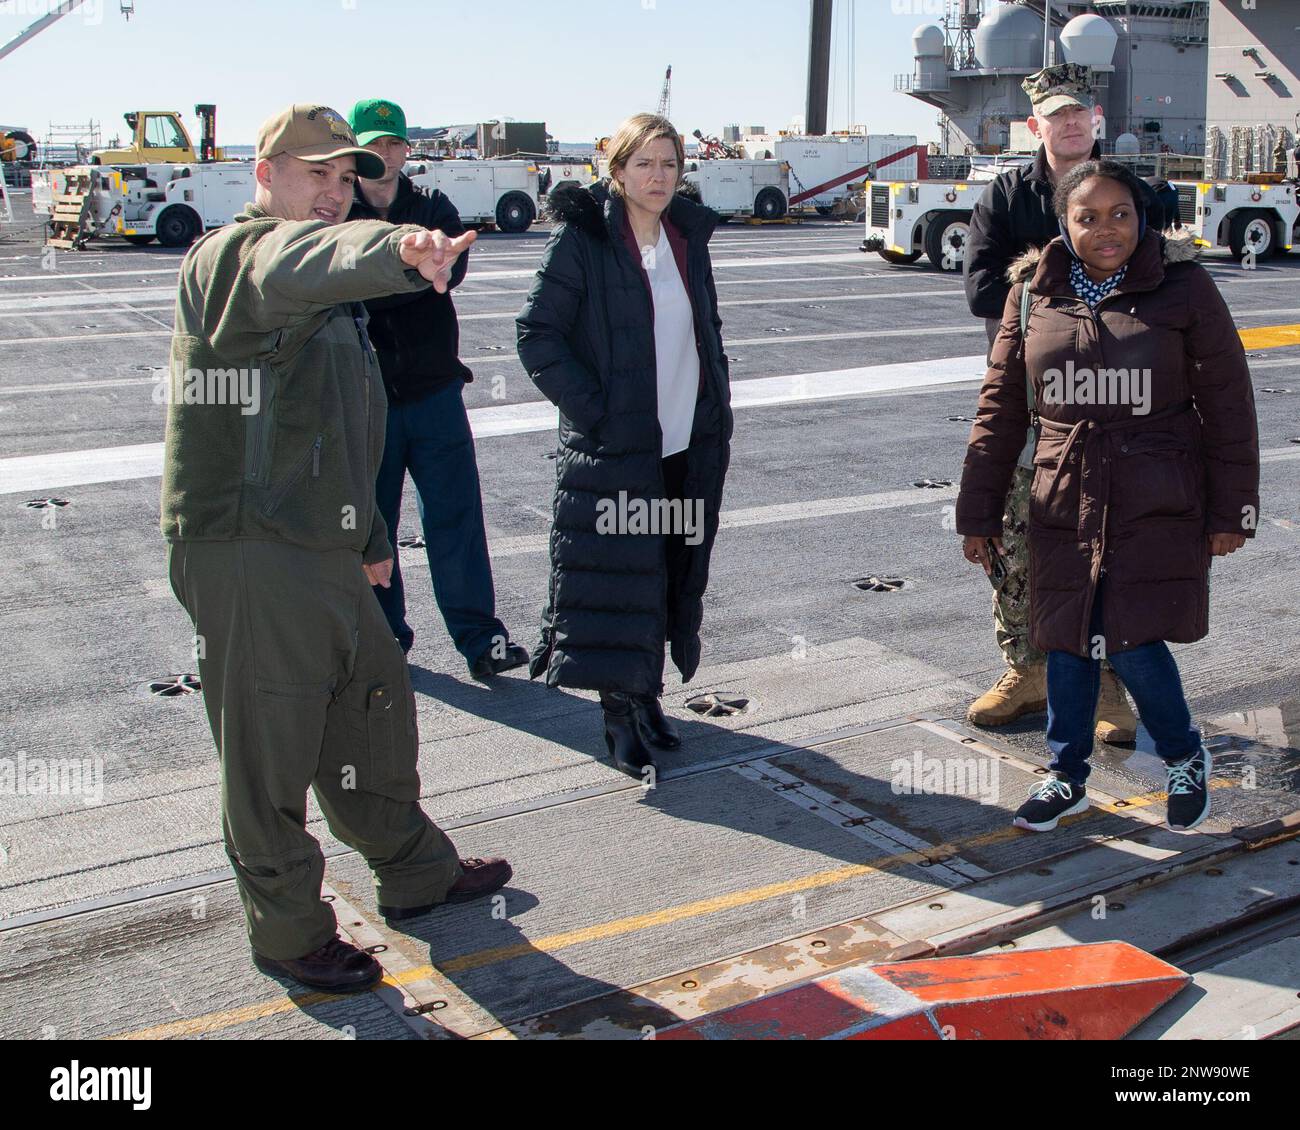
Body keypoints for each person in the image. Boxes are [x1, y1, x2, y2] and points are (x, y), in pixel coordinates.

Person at [161, 104, 511, 994]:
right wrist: (392, 249)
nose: (332, 191)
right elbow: (298, 256)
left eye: (344, 177)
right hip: (248, 544)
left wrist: (370, 536)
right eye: (313, 173)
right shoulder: (236, 259)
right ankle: (287, 932)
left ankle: (417, 874)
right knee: (270, 747)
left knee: (372, 704)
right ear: (264, 174)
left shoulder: (330, 285)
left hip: (322, 541)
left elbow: (346, 420)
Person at [956, 159, 1260, 833]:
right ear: (1063, 222)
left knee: (1130, 637)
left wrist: (1233, 509)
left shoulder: (1183, 286)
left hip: (1156, 493)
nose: (1106, 230)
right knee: (1063, 638)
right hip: (1062, 494)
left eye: (1119, 214)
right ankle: (1067, 777)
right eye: (1087, 217)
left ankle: (1184, 756)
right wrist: (977, 513)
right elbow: (1001, 407)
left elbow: (1229, 405)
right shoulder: (1031, 294)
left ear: (1141, 216)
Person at [516, 113, 733, 778]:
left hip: (680, 443)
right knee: (618, 577)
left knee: (663, 573)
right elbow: (536, 336)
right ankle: (618, 714)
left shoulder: (684, 238)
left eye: (669, 164)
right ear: (616, 171)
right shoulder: (583, 240)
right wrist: (599, 413)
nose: (659, 176)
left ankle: (646, 697)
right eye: (645, 164)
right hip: (617, 448)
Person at [963, 63, 1166, 744]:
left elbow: (1159, 277)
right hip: (1028, 392)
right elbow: (981, 289)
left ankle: (1105, 680)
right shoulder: (1005, 196)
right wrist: (1054, 302)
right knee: (1018, 529)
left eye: (1080, 113)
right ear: (1036, 126)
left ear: (1095, 120)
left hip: (1114, 396)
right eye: (1058, 116)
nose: (1071, 124)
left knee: (1104, 538)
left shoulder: (1128, 191)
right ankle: (1024, 668)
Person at [347, 98, 529, 680]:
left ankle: (481, 640)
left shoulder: (432, 207)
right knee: (372, 527)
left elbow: (452, 265)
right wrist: (417, 276)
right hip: (367, 404)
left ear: (405, 150)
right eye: (372, 144)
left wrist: (433, 268)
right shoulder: (336, 217)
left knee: (456, 519)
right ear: (355, 151)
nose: (383, 153)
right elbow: (363, 287)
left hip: (434, 396)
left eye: (392, 144)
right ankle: (385, 638)